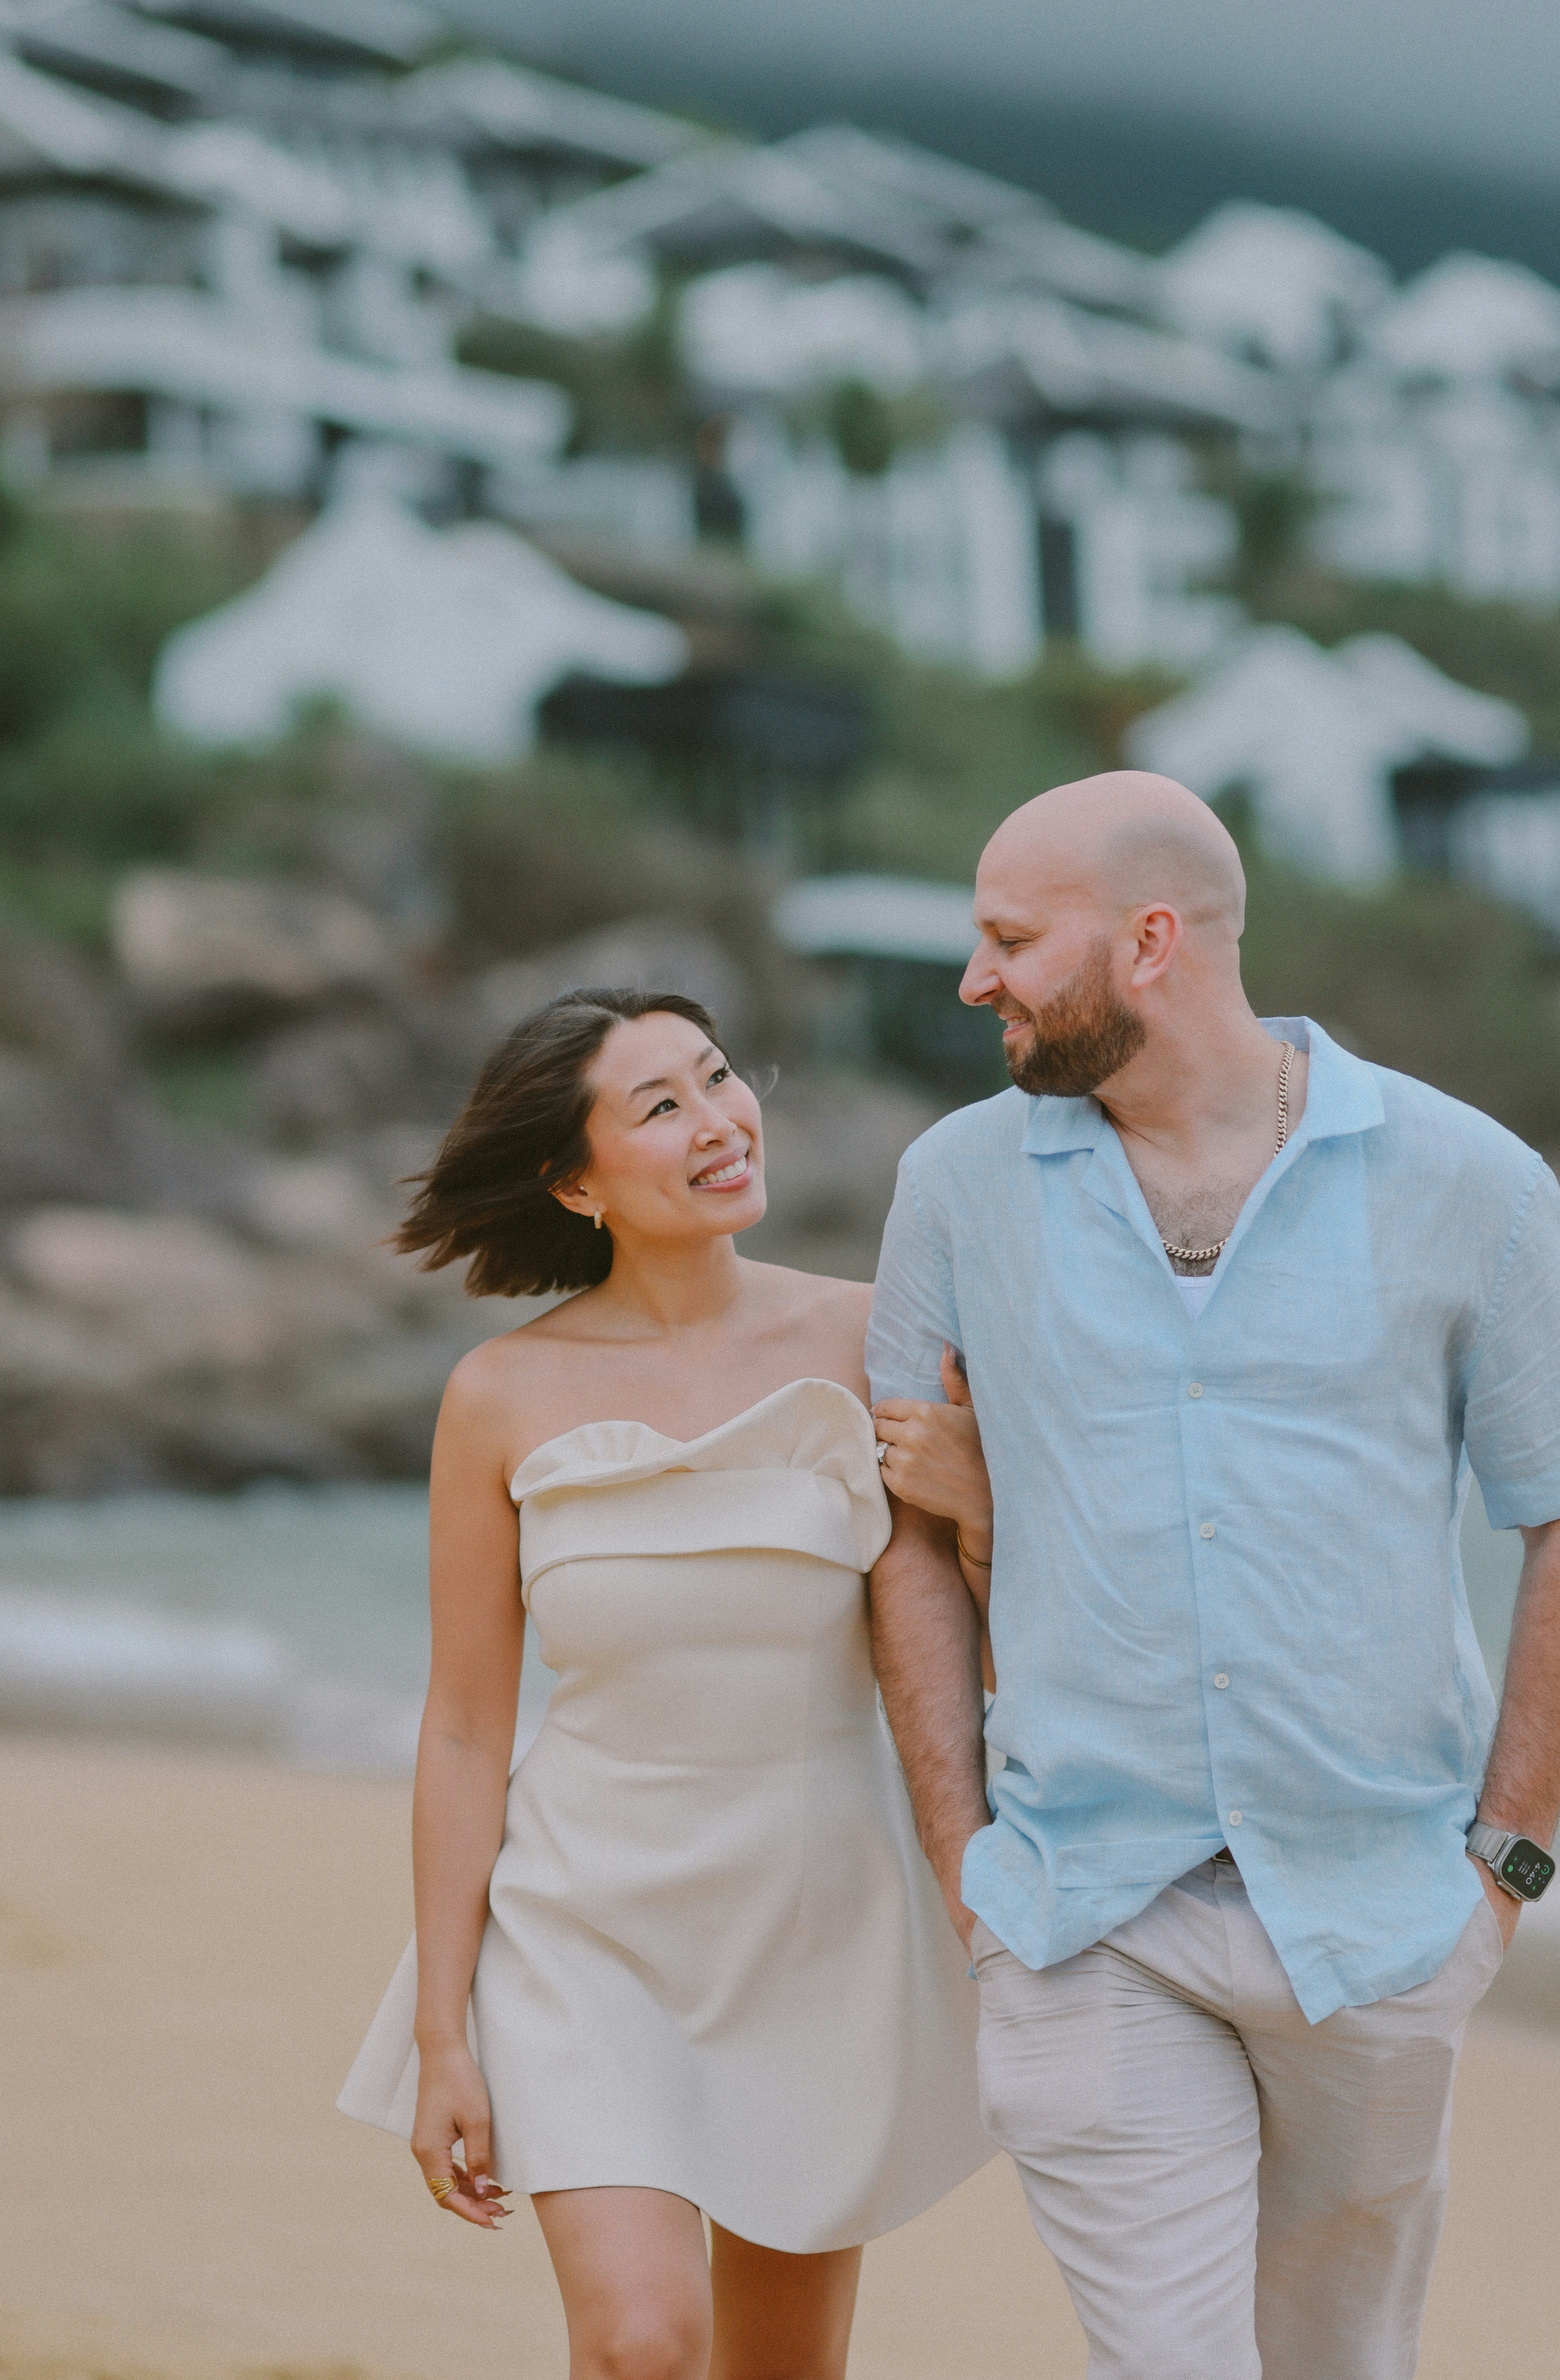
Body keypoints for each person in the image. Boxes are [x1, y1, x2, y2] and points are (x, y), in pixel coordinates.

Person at [867, 774, 1560, 2380]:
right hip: (1082, 1906)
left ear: (1149, 941)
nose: (975, 978)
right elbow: (907, 1533)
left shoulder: (1468, 1178)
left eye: (1010, 937)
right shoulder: (953, 1186)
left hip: (1381, 1914)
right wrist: (964, 1856)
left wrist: (1504, 1868)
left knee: (1340, 2359)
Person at [337, 988, 992, 2380]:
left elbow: (986, 1646)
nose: (718, 1121)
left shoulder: (877, 1335)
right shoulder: (500, 1394)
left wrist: (982, 1507)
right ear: (575, 1180)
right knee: (641, 2341)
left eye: (715, 1077)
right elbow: (463, 1723)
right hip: (588, 1921)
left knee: (781, 2367)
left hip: (821, 1920)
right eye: (660, 1105)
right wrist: (444, 2030)